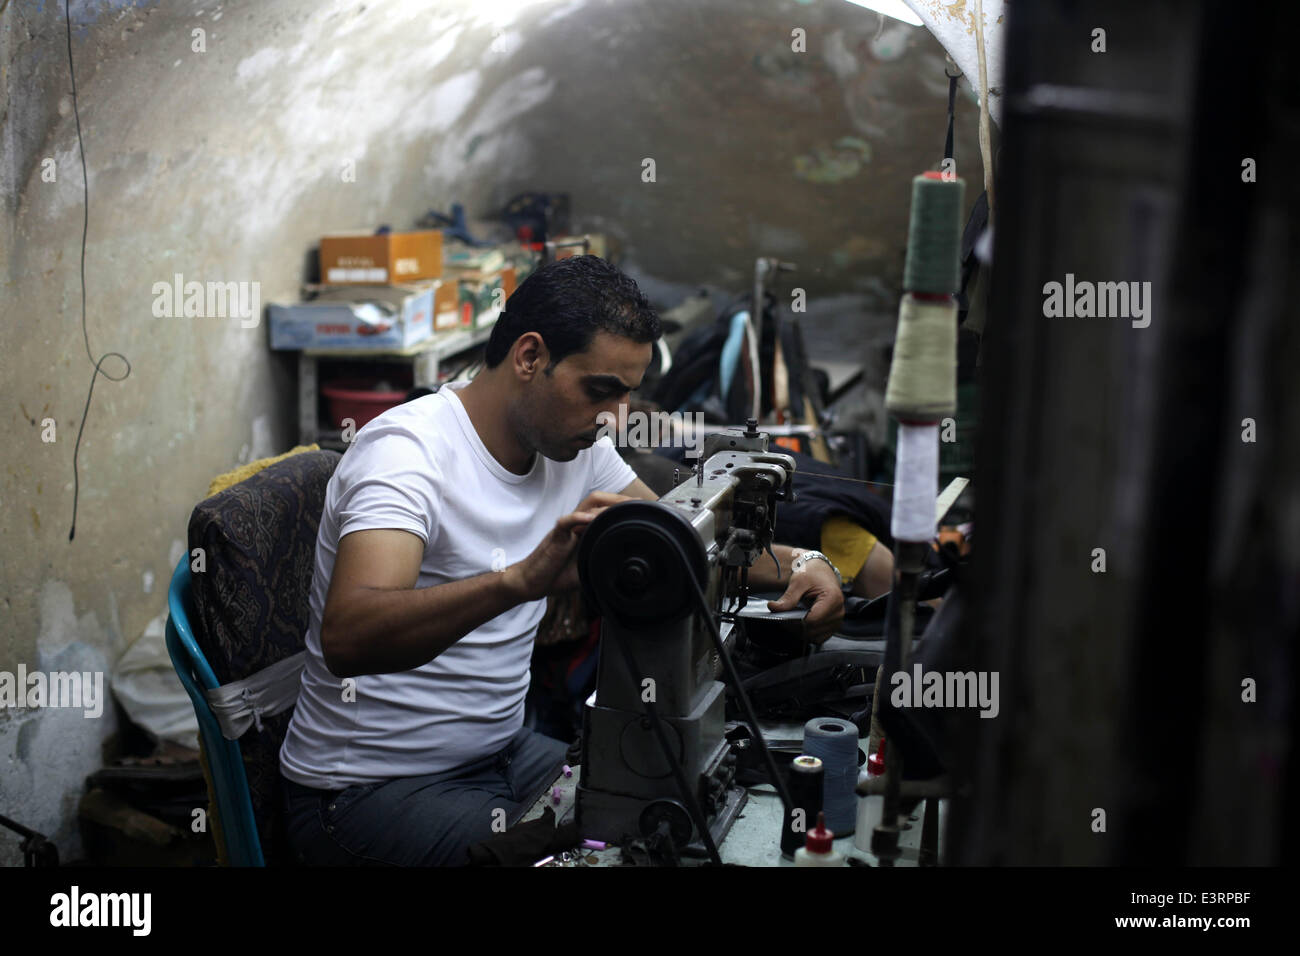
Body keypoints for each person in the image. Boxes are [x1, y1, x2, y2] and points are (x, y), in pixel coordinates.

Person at [278, 255, 845, 866]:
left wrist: (806, 563)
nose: (615, 418)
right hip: (366, 791)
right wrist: (518, 582)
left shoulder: (578, 450)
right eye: (600, 390)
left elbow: (683, 543)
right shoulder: (407, 454)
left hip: (504, 756)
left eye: (628, 395)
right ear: (529, 357)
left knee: (680, 807)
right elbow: (351, 636)